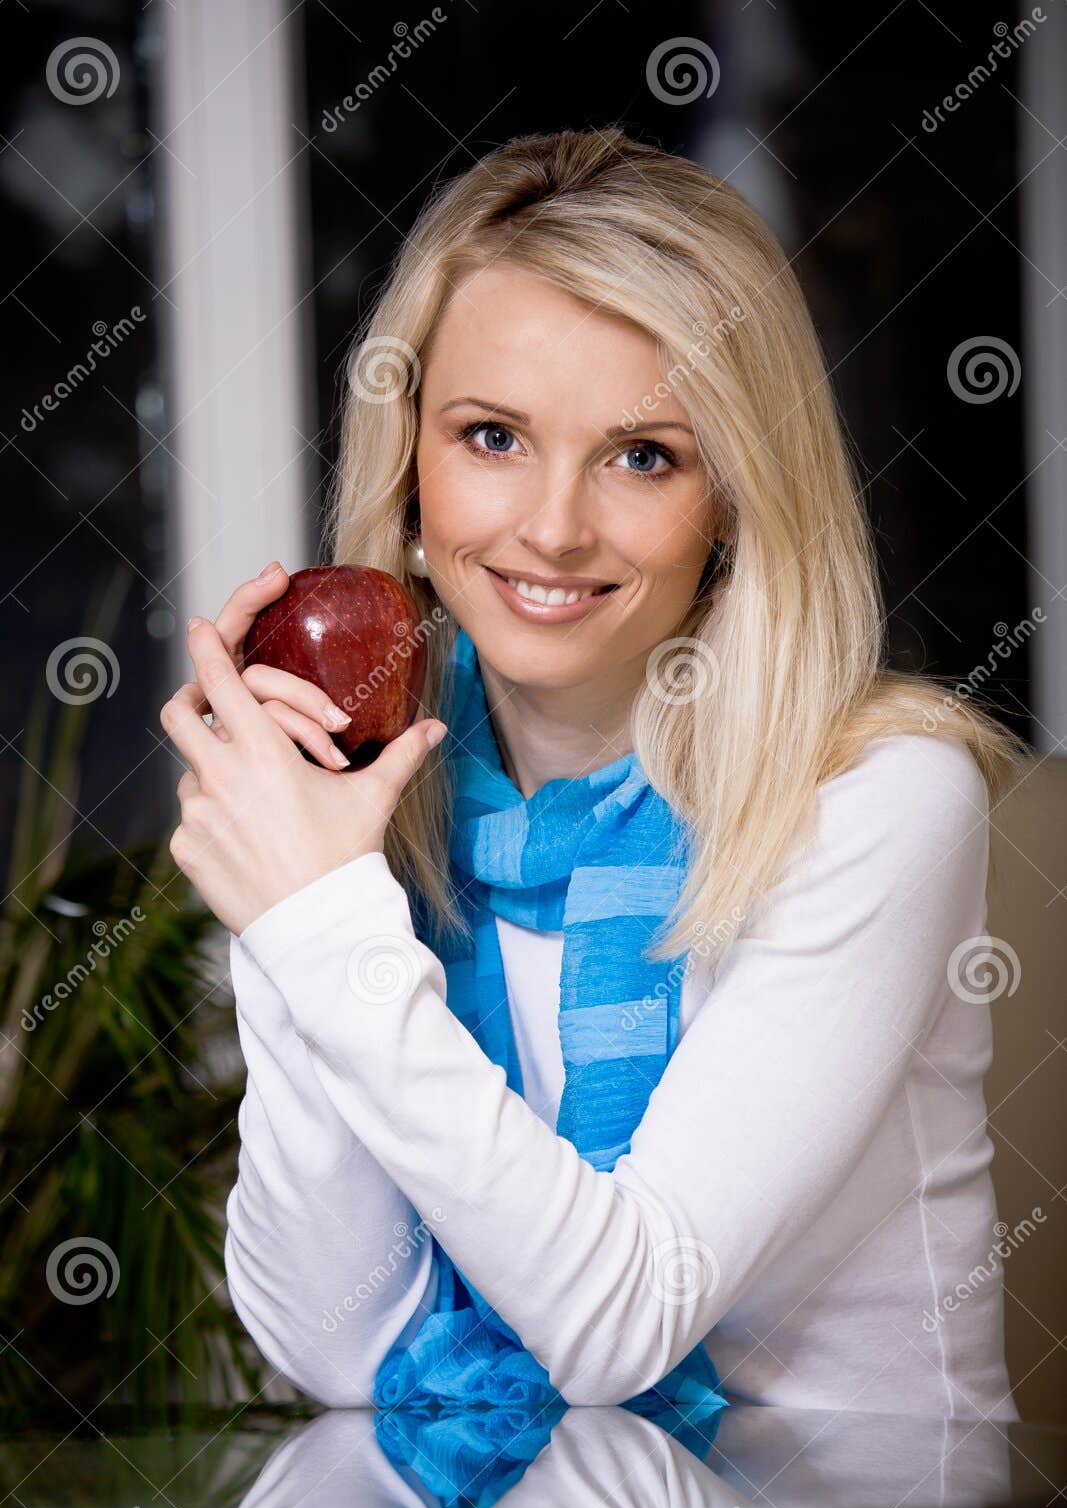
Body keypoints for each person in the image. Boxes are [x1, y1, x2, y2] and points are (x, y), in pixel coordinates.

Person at [161, 128, 1030, 1423]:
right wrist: (305, 903)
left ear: (734, 495)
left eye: (643, 456)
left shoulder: (877, 799)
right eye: (493, 435)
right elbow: (335, 1358)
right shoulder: (384, 797)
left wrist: (320, 919)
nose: (554, 525)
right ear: (409, 465)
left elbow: (622, 1317)